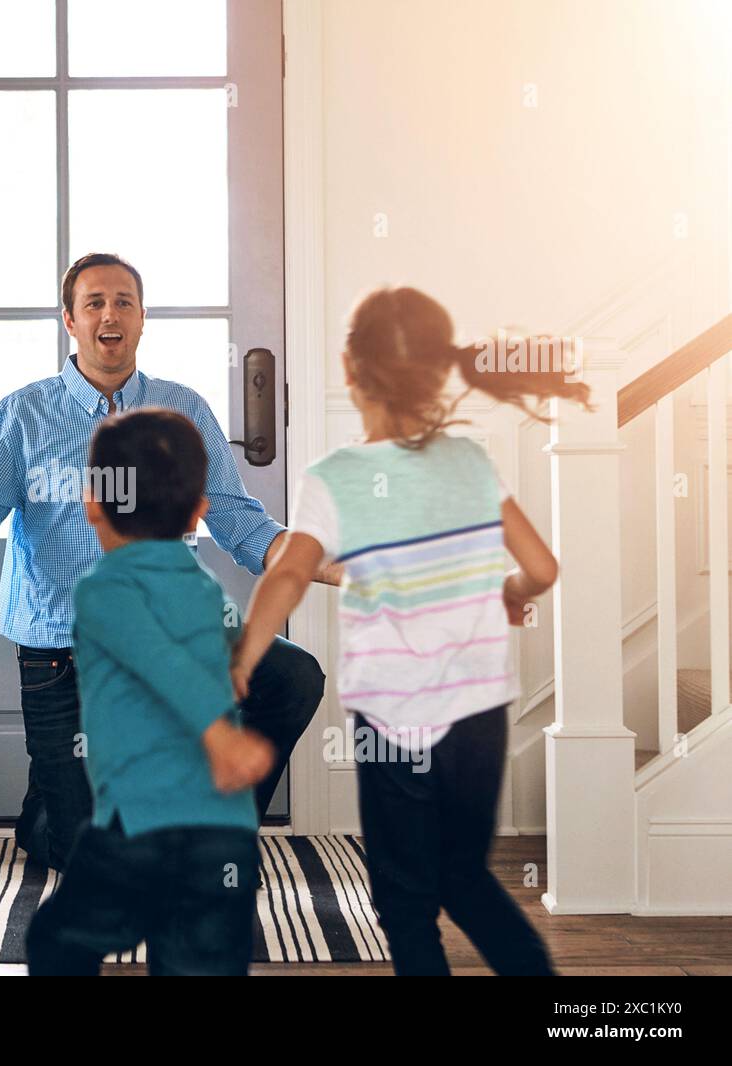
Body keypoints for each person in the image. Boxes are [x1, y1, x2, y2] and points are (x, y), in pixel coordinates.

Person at [0, 252, 331, 871]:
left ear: (141, 319)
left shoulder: (181, 408)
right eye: (94, 303)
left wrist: (327, 563)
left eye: (124, 302)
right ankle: (54, 809)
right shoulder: (21, 416)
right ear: (70, 321)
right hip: (64, 657)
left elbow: (239, 519)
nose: (111, 314)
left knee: (291, 676)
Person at [230, 286, 581, 976]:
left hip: (393, 720)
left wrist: (249, 653)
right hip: (480, 714)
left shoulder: (336, 478)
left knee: (403, 896)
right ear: (436, 372)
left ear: (348, 368)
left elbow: (289, 575)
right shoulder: (471, 462)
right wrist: (510, 593)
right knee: (464, 875)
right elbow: (541, 565)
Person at [26, 408, 273, 976]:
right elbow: (227, 640)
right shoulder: (203, 584)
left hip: (140, 828)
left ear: (92, 501)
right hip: (226, 834)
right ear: (199, 512)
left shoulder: (102, 590)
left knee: (56, 942)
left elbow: (160, 662)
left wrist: (219, 735)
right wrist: (240, 663)